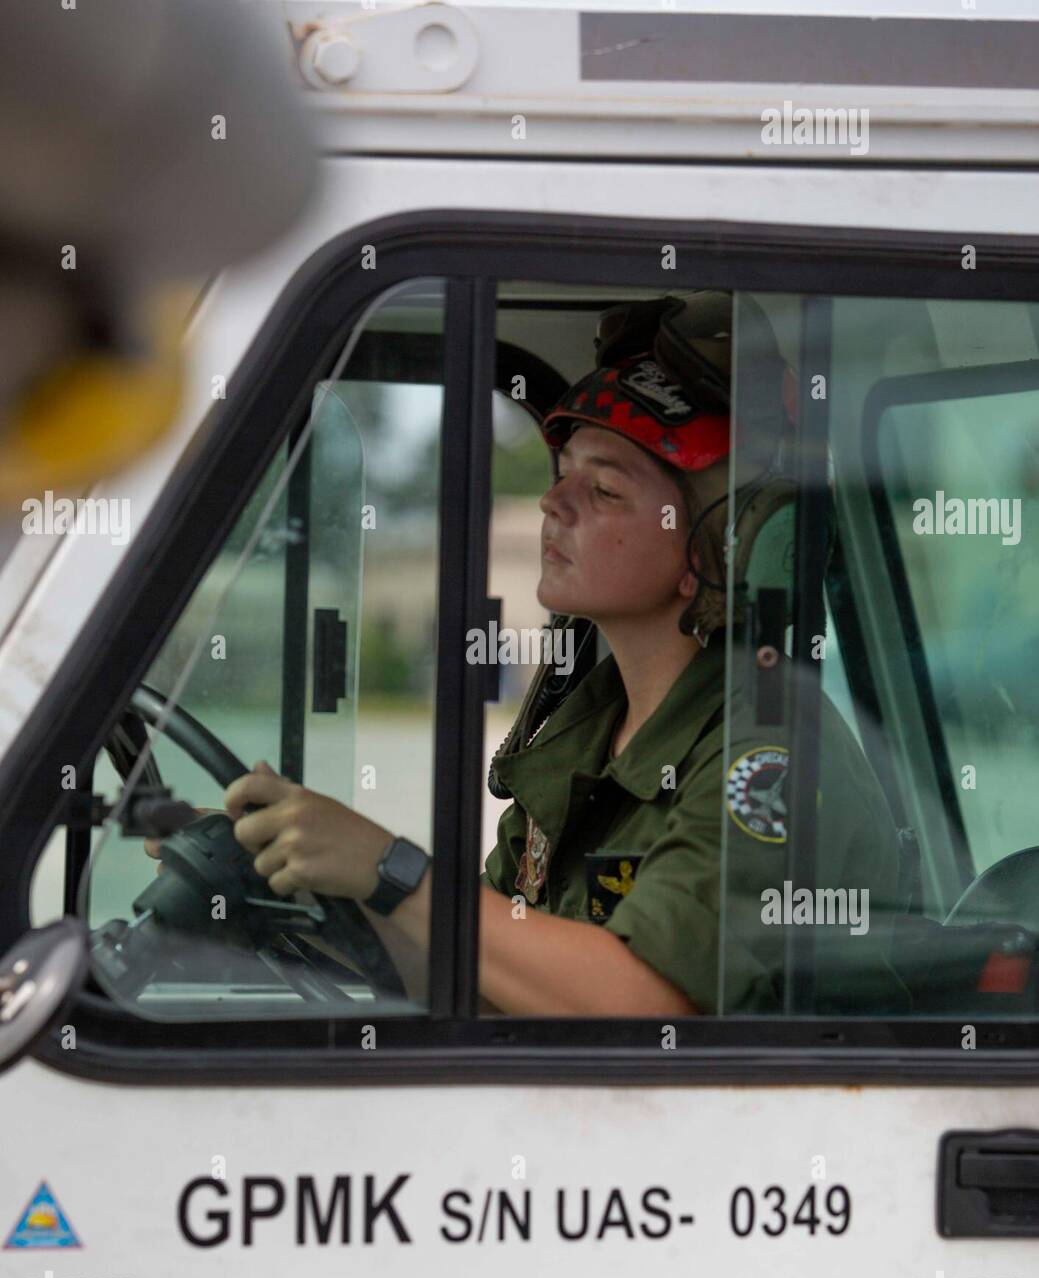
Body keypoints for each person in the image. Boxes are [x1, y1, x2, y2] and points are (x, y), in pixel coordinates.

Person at [171, 297, 910, 1016]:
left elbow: (643, 1004)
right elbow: (485, 967)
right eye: (564, 472)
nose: (552, 503)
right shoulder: (584, 731)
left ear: (712, 551)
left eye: (605, 489)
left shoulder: (767, 748)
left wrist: (390, 870)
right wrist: (290, 888)